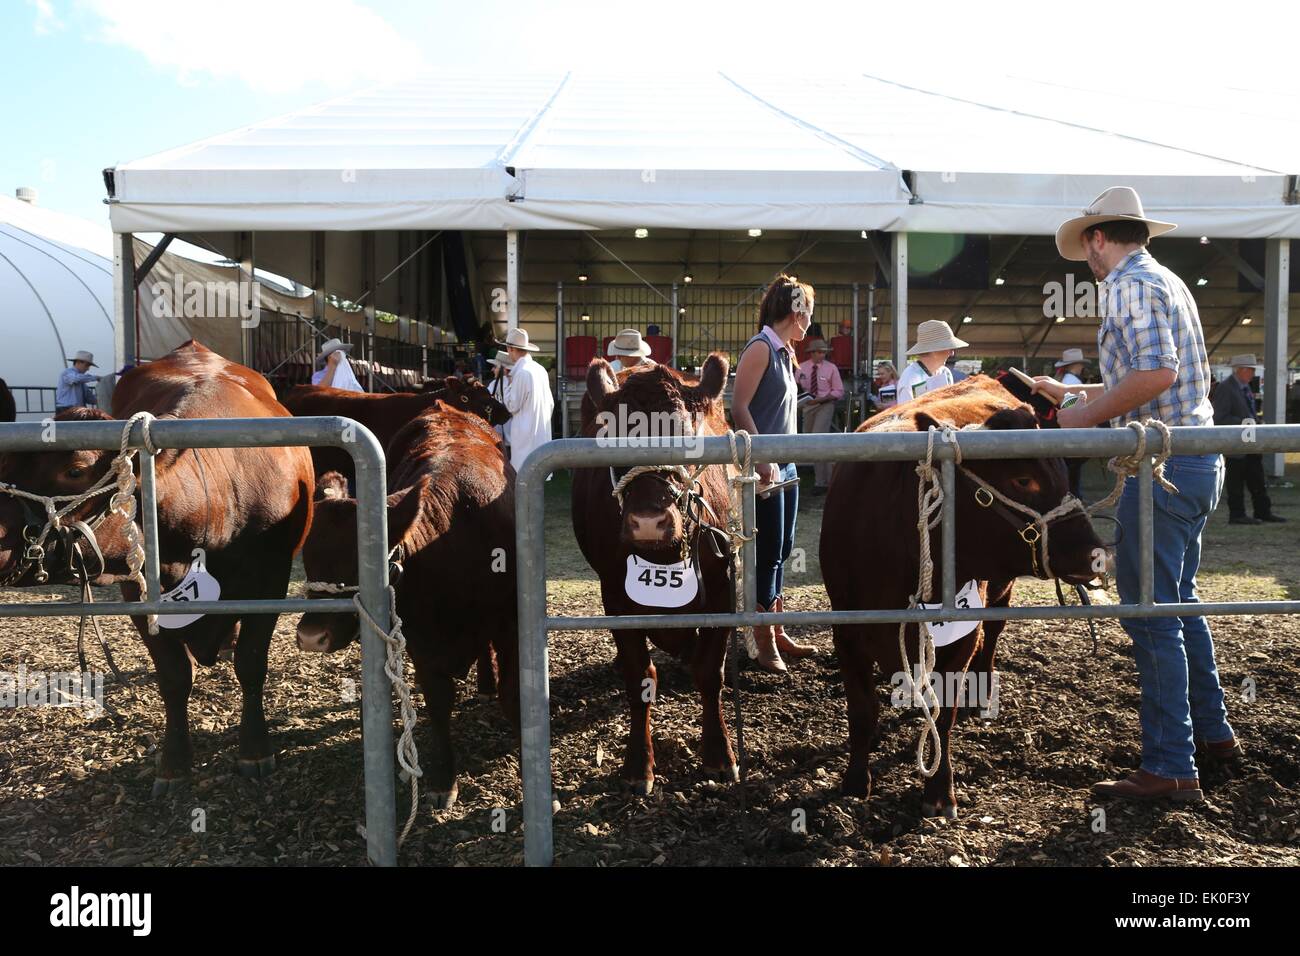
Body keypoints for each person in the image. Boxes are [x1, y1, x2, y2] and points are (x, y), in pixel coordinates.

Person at [1034, 185, 1237, 803]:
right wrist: (1073, 393)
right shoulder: (1166, 280)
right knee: (1178, 602)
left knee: (1148, 613)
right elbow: (1149, 377)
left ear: (1099, 238)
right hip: (1195, 460)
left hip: (1162, 467)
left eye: (1087, 246)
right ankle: (1213, 733)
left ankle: (1171, 765)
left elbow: (1156, 373)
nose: (1087, 260)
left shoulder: (1126, 285)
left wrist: (1080, 419)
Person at [730, 274, 817, 673]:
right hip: (768, 463)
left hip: (787, 459)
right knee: (768, 551)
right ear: (796, 311)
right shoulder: (761, 347)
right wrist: (760, 456)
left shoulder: (783, 351)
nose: (810, 322)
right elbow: (739, 406)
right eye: (808, 312)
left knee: (783, 547)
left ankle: (775, 627)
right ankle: (763, 638)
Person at [1213, 354, 1285, 525]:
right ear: (1242, 370)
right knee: (1236, 482)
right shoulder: (1226, 388)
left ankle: (1263, 511)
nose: (1253, 374)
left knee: (1257, 479)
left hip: (1250, 443)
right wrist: (1248, 423)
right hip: (1237, 445)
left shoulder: (1243, 387)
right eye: (1251, 370)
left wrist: (1255, 422)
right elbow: (1220, 418)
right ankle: (1237, 514)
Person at [501, 328, 554, 474]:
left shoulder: (522, 372)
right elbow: (550, 404)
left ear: (510, 349)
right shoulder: (540, 369)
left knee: (523, 478)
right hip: (541, 433)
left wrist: (506, 382)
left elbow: (512, 406)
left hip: (525, 436)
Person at [795, 338, 843, 495]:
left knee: (818, 438)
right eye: (820, 352)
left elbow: (838, 391)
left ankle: (822, 482)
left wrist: (822, 399)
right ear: (812, 353)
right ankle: (825, 480)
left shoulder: (831, 368)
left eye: (824, 352)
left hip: (825, 405)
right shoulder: (801, 368)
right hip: (808, 406)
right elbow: (794, 387)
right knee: (811, 441)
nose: (822, 355)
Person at [895, 320, 969, 404]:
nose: (952, 353)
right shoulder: (910, 378)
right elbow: (906, 415)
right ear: (935, 350)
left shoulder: (945, 373)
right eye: (950, 348)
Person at [487, 349, 514, 447]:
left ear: (503, 368)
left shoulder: (512, 382)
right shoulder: (494, 384)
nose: (492, 370)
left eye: (495, 367)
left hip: (509, 436)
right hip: (509, 436)